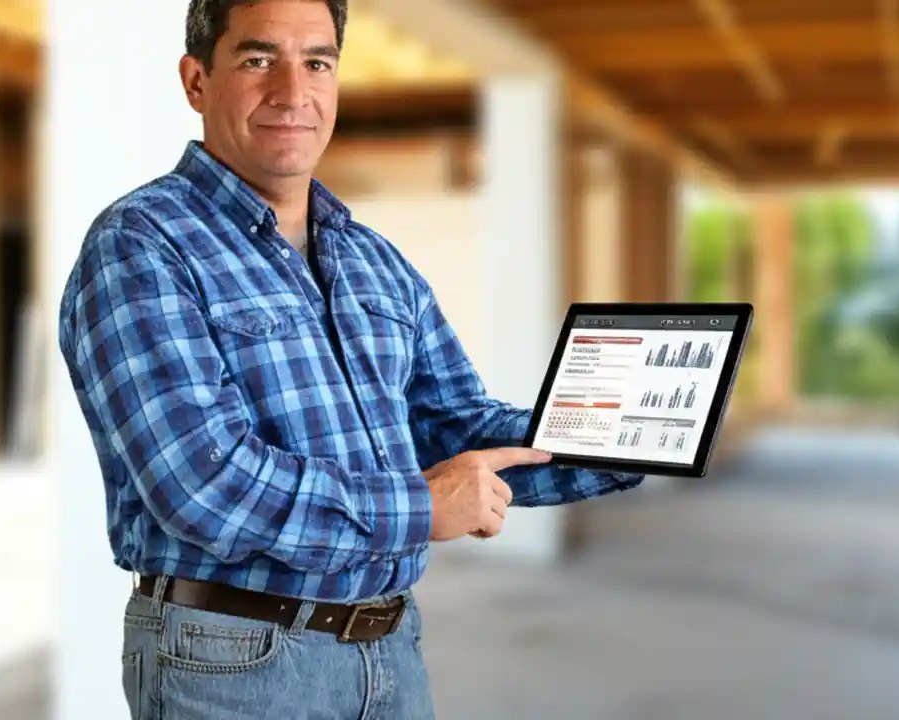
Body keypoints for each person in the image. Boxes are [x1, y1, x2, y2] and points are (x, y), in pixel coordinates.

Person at [56, 1, 644, 717]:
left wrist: (623, 437)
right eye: (257, 59)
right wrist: (420, 507)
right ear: (196, 80)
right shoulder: (142, 246)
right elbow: (201, 483)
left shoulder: (374, 261)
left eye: (317, 63)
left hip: (390, 650)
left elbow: (457, 428)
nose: (292, 92)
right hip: (233, 661)